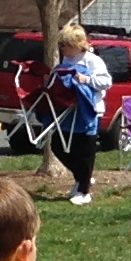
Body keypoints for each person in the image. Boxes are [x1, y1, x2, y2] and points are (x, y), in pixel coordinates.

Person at [48, 25, 112, 206]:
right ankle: (82, 177)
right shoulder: (66, 60)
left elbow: (107, 82)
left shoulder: (92, 60)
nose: (62, 49)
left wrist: (88, 80)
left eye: (65, 44)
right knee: (58, 145)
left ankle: (84, 191)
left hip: (89, 112)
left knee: (85, 151)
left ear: (76, 44)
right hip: (69, 112)